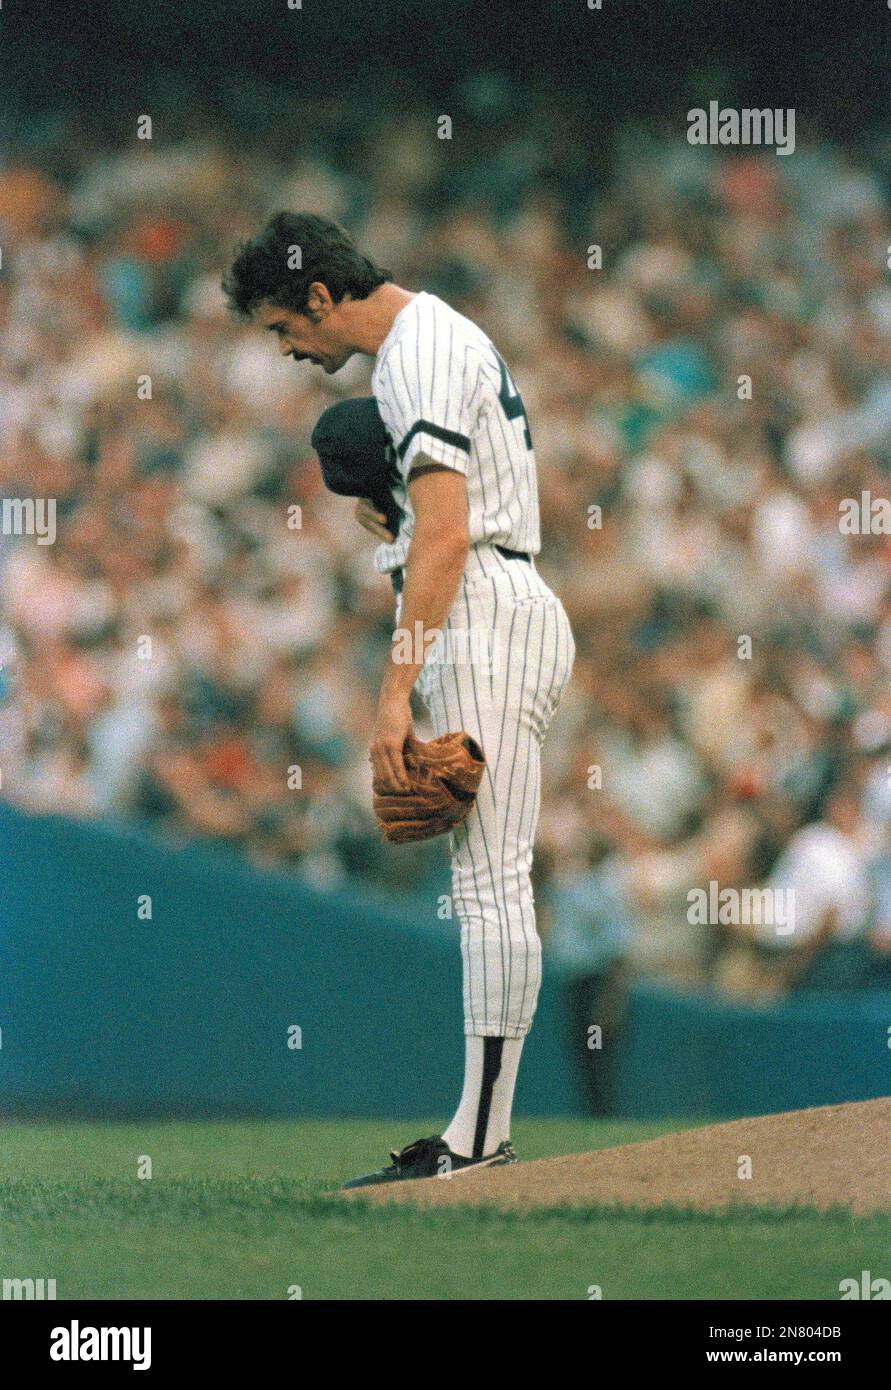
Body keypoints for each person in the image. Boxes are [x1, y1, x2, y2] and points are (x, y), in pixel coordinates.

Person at [223, 212, 575, 1183]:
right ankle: (475, 1126)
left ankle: (478, 1140)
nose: (286, 348)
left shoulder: (412, 351)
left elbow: (448, 534)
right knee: (486, 880)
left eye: (282, 326)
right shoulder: (437, 335)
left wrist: (393, 696)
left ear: (321, 296)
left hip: (485, 606)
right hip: (502, 602)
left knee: (492, 881)